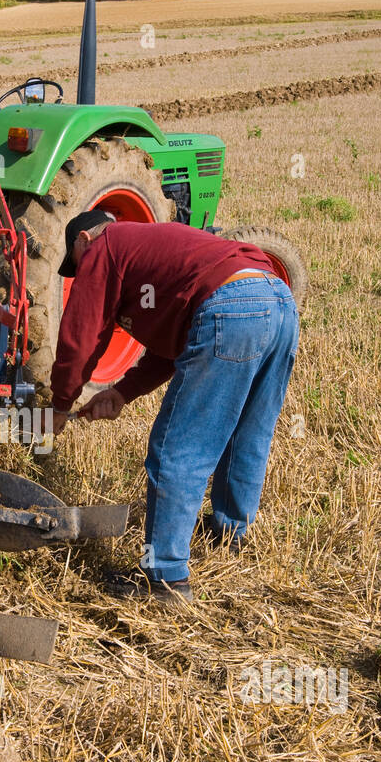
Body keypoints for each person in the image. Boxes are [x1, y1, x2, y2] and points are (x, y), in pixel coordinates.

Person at [50, 210, 300, 603]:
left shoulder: (104, 246)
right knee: (247, 434)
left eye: (76, 264)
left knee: (178, 448)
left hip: (231, 306)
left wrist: (60, 404)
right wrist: (122, 392)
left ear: (83, 239)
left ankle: (164, 577)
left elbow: (81, 335)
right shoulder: (153, 249)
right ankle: (228, 536)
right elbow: (178, 345)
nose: (81, 274)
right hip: (278, 302)